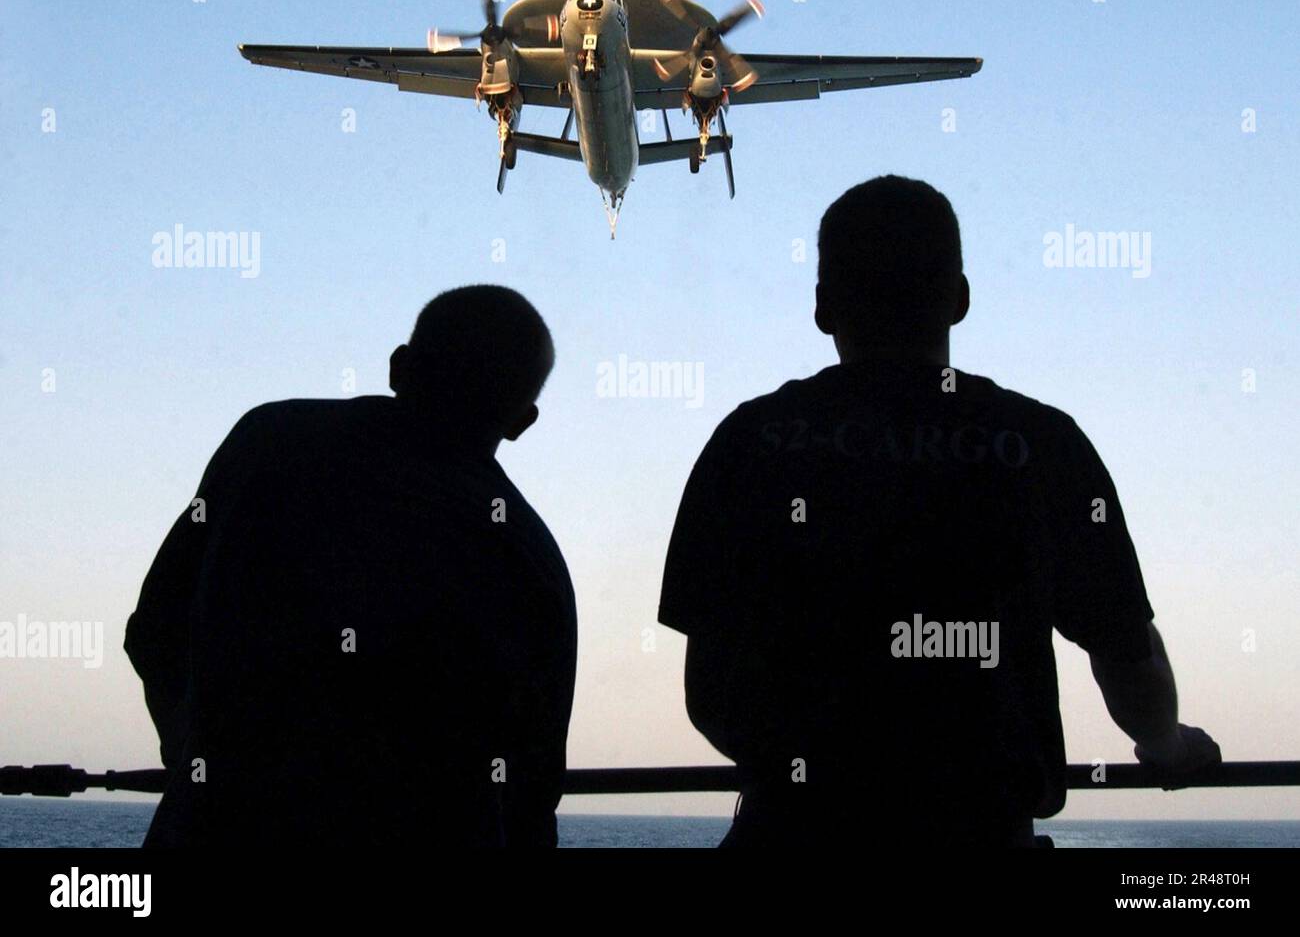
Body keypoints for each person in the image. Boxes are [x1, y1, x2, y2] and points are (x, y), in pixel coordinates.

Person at [658, 175, 1220, 848]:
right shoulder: (1044, 444)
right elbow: (1127, 653)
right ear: (959, 299)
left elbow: (712, 693)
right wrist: (1167, 743)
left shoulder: (750, 442)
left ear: (823, 306)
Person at [125, 285, 576, 847]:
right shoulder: (530, 558)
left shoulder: (265, 443)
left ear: (399, 366)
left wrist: (198, 762)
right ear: (521, 421)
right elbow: (531, 790)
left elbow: (153, 630)